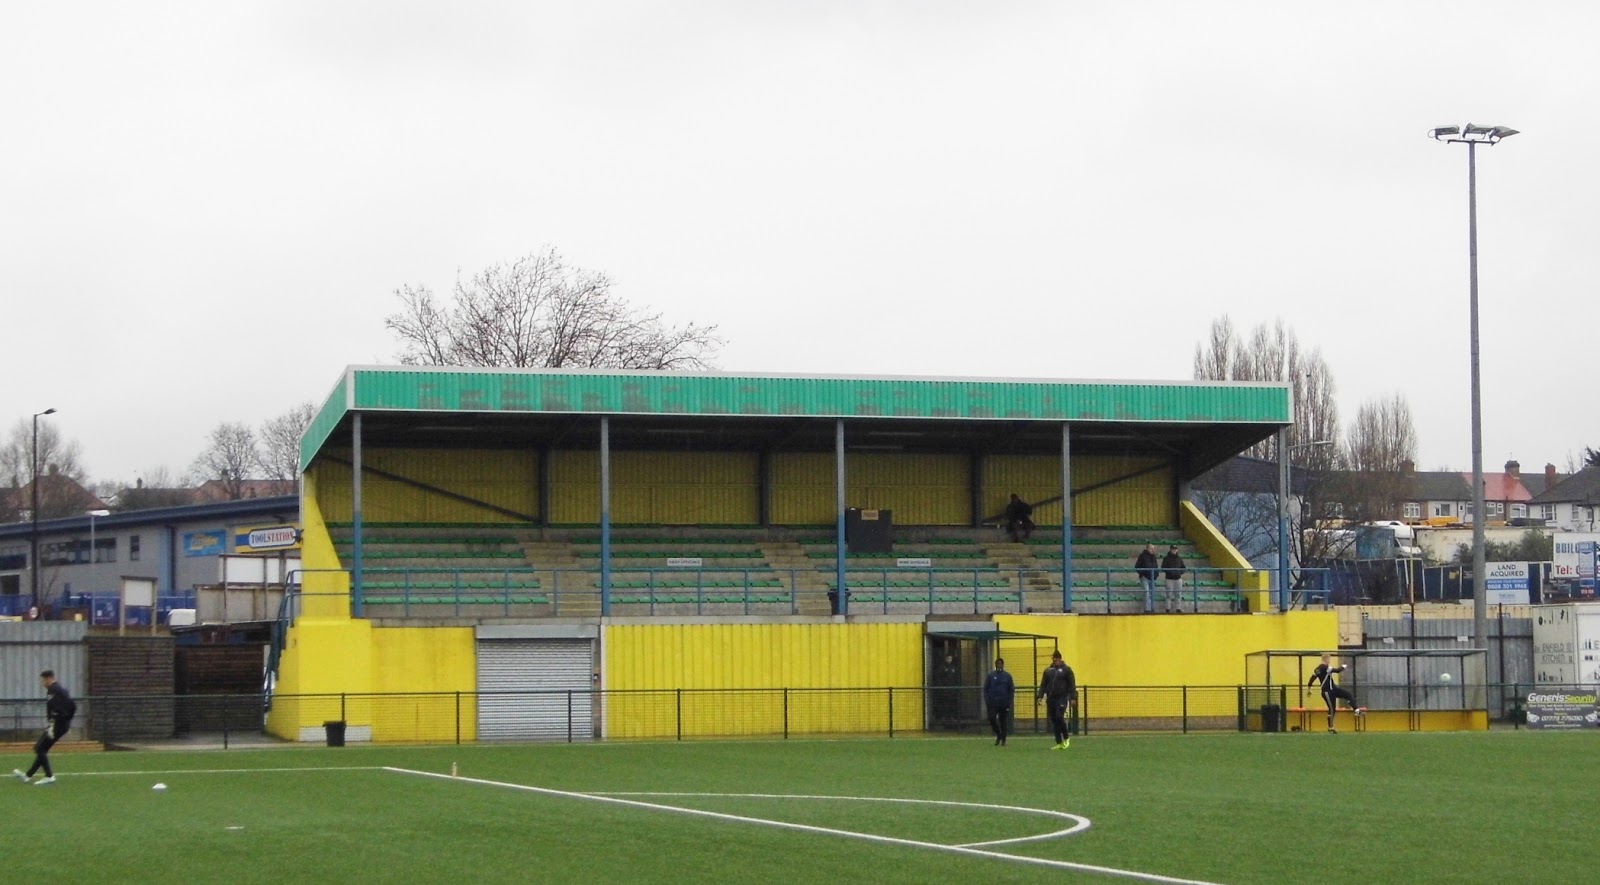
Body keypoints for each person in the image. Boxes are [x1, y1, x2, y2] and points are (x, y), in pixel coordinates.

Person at [13, 670, 75, 786]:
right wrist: (68, 719)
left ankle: (49, 776)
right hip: (61, 724)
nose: (42, 683)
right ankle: (28, 776)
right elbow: (72, 705)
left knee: (39, 749)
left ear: (48, 678)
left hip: (57, 725)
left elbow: (56, 708)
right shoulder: (62, 689)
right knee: (41, 749)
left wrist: (54, 722)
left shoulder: (53, 690)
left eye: (42, 680)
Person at [1307, 653, 1365, 733]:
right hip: (1327, 691)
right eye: (1329, 659)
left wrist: (1309, 688)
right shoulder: (1325, 667)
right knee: (1332, 709)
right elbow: (1337, 670)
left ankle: (1356, 710)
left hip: (1333, 689)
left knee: (1348, 695)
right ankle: (1330, 727)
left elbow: (1312, 678)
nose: (1329, 661)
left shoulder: (1317, 669)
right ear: (1326, 659)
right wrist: (1343, 666)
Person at [1035, 651, 1077, 750]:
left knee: (1059, 717)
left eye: (1058, 659)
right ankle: (1058, 742)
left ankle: (1066, 737)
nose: (1056, 661)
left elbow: (1072, 684)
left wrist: (1073, 697)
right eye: (1055, 659)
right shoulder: (1048, 671)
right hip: (1051, 698)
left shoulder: (1067, 670)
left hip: (1062, 697)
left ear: (1060, 659)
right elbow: (1043, 685)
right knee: (1054, 720)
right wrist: (1039, 696)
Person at [983, 658, 1016, 746]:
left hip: (1004, 702)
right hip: (993, 702)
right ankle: (998, 734)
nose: (999, 665)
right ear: (995, 665)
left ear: (1003, 665)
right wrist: (987, 700)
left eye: (1001, 663)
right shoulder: (991, 676)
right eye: (998, 663)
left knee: (1003, 721)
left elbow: (1011, 689)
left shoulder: (1007, 676)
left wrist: (1009, 701)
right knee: (992, 718)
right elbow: (986, 689)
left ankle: (1003, 740)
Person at [1161, 544, 1186, 613]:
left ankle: (1178, 608)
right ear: (1170, 550)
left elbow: (1183, 567)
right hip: (1169, 578)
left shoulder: (1179, 558)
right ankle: (1168, 608)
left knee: (1178, 594)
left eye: (1175, 549)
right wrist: (1170, 572)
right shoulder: (1166, 558)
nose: (1174, 550)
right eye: (1173, 549)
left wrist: (1180, 572)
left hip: (1178, 578)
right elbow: (1163, 567)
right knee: (1169, 594)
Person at [1134, 544, 1159, 613]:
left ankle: (1152, 608)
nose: (1152, 550)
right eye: (1151, 548)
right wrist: (1142, 573)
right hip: (1145, 577)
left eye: (1153, 548)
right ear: (1147, 548)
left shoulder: (1154, 557)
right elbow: (1137, 566)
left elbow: (1156, 566)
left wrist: (1156, 575)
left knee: (1152, 593)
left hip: (1153, 577)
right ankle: (1147, 609)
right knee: (1146, 592)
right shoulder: (1142, 556)